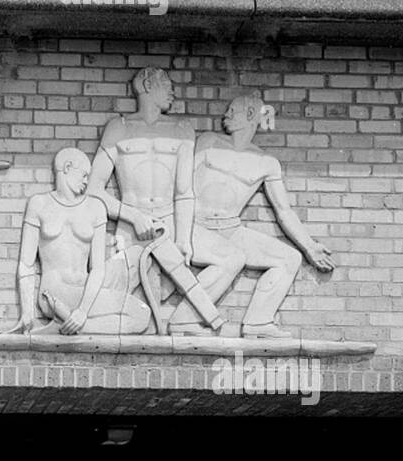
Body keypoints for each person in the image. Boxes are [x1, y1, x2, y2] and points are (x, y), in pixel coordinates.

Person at [167, 92, 335, 338]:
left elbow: (283, 211)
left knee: (289, 258)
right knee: (232, 258)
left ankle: (258, 322)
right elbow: (180, 185)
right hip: (195, 226)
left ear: (249, 115)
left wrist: (309, 247)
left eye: (232, 111)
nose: (226, 115)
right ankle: (183, 319)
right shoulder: (209, 141)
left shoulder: (266, 162)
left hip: (230, 229)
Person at [87, 66, 227, 335]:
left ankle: (185, 319)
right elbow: (94, 188)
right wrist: (133, 216)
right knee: (124, 301)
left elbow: (184, 192)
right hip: (132, 228)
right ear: (147, 86)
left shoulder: (182, 130)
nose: (172, 90)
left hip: (170, 224)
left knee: (227, 258)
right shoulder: (120, 128)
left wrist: (184, 240)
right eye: (166, 84)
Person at [18, 148, 151, 336]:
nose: (86, 181)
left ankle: (77, 324)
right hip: (55, 292)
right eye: (84, 175)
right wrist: (27, 312)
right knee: (140, 315)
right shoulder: (39, 204)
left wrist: (82, 311)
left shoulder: (95, 208)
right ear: (67, 167)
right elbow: (26, 263)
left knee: (141, 311)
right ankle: (71, 319)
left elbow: (97, 268)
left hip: (86, 292)